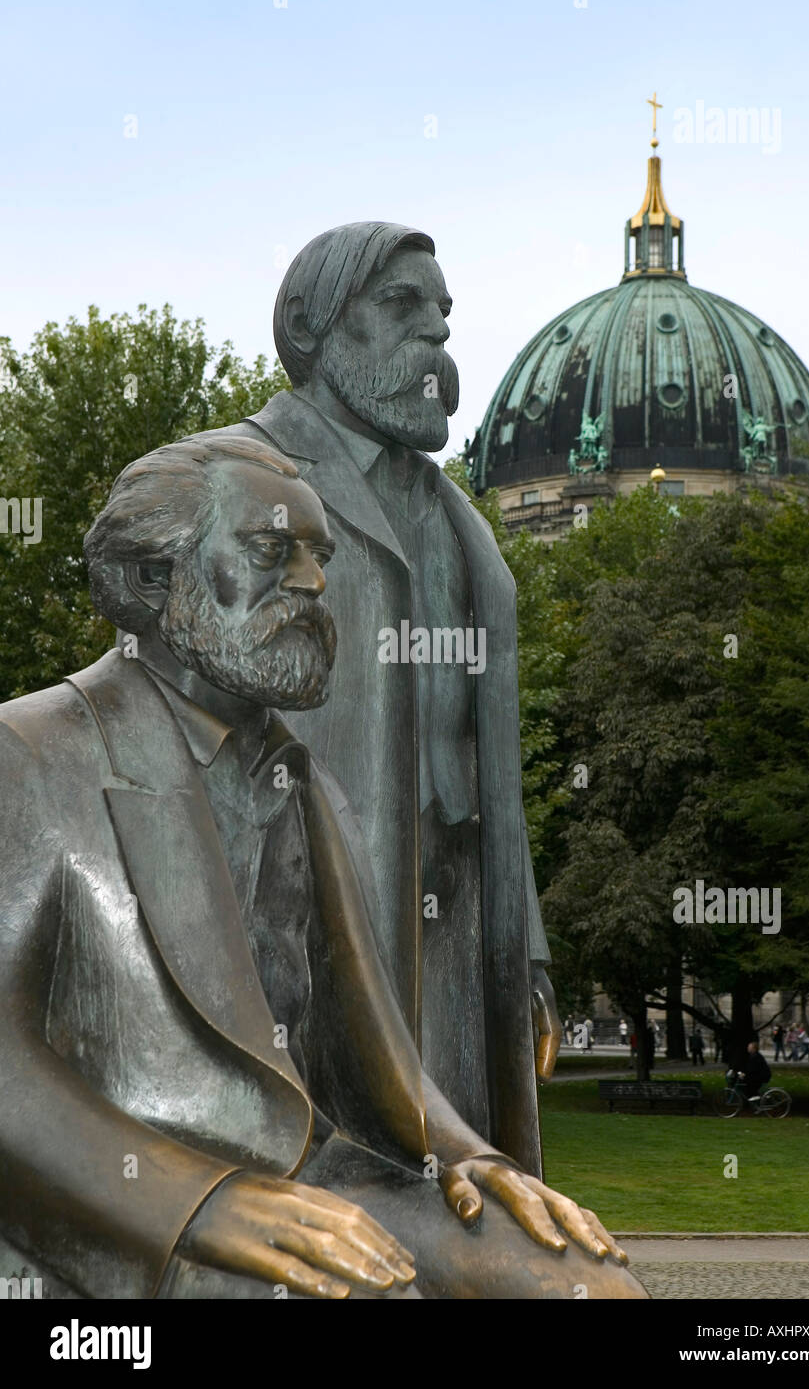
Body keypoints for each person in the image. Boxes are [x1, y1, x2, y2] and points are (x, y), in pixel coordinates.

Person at [0, 437, 646, 1301]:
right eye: (271, 550)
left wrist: (468, 1153)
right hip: (125, 1206)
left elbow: (362, 1049)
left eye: (319, 556)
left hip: (314, 1172)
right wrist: (197, 1202)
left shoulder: (302, 782)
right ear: (153, 578)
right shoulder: (28, 753)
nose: (310, 582)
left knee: (582, 1282)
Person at [181, 222, 560, 1174]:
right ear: (308, 329)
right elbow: (167, 716)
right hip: (300, 914)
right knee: (323, 1191)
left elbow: (487, 759)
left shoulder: (459, 518)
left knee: (465, 1197)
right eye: (400, 305)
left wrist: (527, 951)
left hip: (458, 917)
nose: (436, 330)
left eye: (443, 311)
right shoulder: (223, 478)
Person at [738, 1040, 772, 1105]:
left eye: (749, 1047)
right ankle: (754, 1098)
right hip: (759, 1075)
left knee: (750, 1083)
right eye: (748, 1047)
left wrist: (744, 1074)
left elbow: (752, 1069)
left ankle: (756, 1097)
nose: (748, 1048)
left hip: (763, 1076)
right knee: (747, 1082)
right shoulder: (753, 1055)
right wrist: (743, 1072)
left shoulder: (756, 1057)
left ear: (754, 1049)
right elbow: (748, 1067)